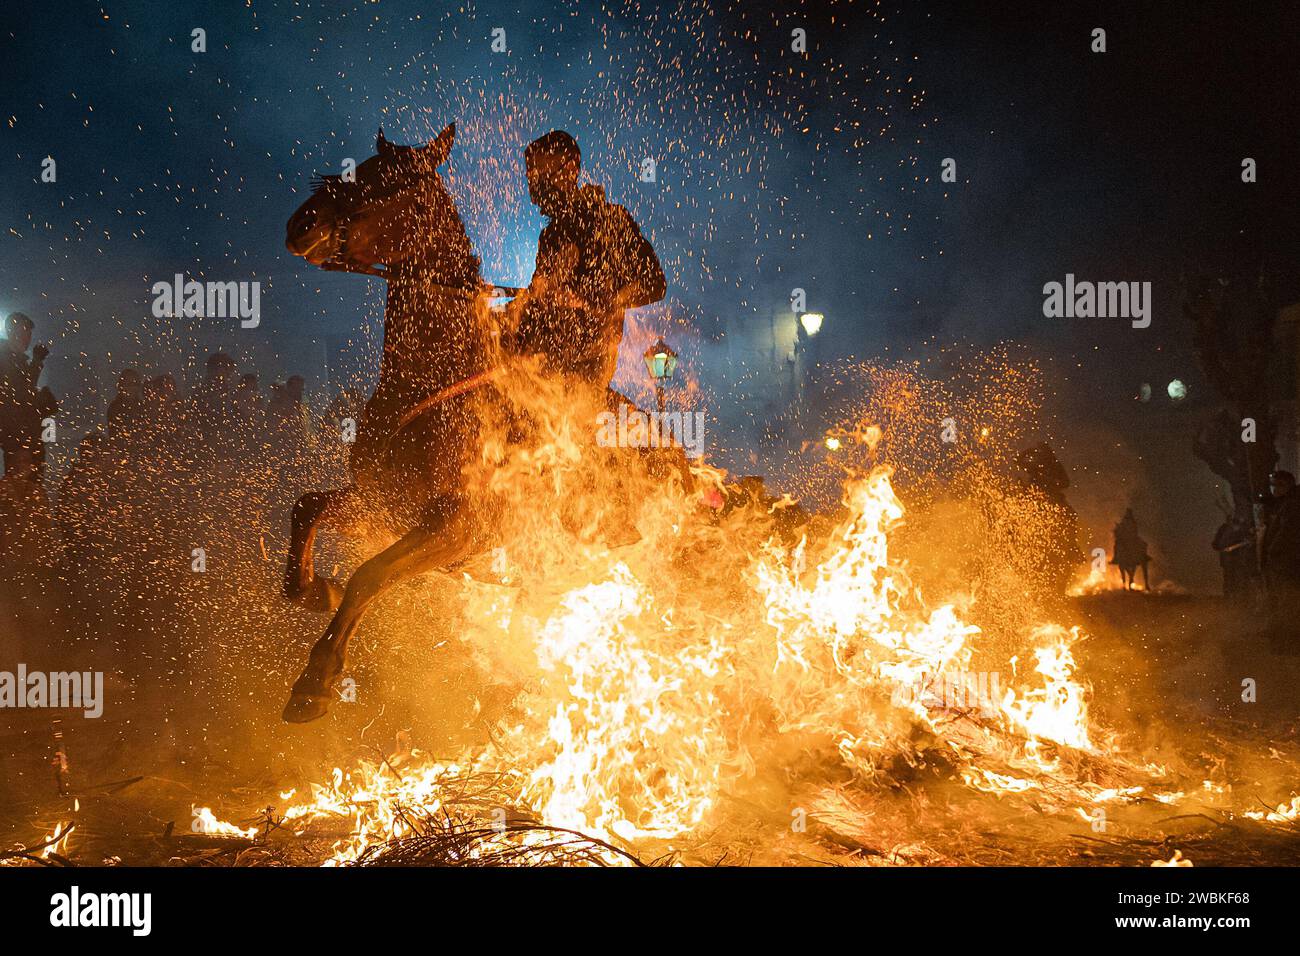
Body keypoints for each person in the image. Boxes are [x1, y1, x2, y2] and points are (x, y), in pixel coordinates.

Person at [505, 130, 666, 395]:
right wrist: (514, 310)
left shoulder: (611, 221)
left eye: (539, 176)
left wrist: (602, 300)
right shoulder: (550, 237)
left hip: (586, 374)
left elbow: (655, 284)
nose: (533, 192)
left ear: (569, 170)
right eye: (529, 178)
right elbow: (538, 299)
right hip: (540, 370)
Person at [0, 312, 55, 477]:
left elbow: (25, 391)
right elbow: (19, 394)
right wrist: (37, 362)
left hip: (28, 440)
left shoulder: (17, 360)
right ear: (12, 332)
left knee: (33, 492)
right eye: (24, 332)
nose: (28, 338)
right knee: (19, 490)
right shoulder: (5, 360)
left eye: (29, 333)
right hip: (18, 443)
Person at [1260, 470, 1300, 653]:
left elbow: (1287, 533)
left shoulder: (1292, 505)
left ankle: (1287, 642)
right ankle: (1280, 639)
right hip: (1278, 562)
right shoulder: (1281, 505)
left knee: (1286, 603)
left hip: (1286, 563)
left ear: (1288, 485)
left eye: (1278, 485)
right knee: (1277, 601)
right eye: (1272, 485)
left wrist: (1272, 550)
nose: (1274, 489)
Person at [1111, 508, 1151, 591]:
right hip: (1128, 539)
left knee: (1143, 544)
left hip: (1132, 538)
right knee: (1116, 545)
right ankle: (1116, 558)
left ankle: (1144, 556)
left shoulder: (1131, 522)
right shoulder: (1125, 522)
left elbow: (1134, 531)